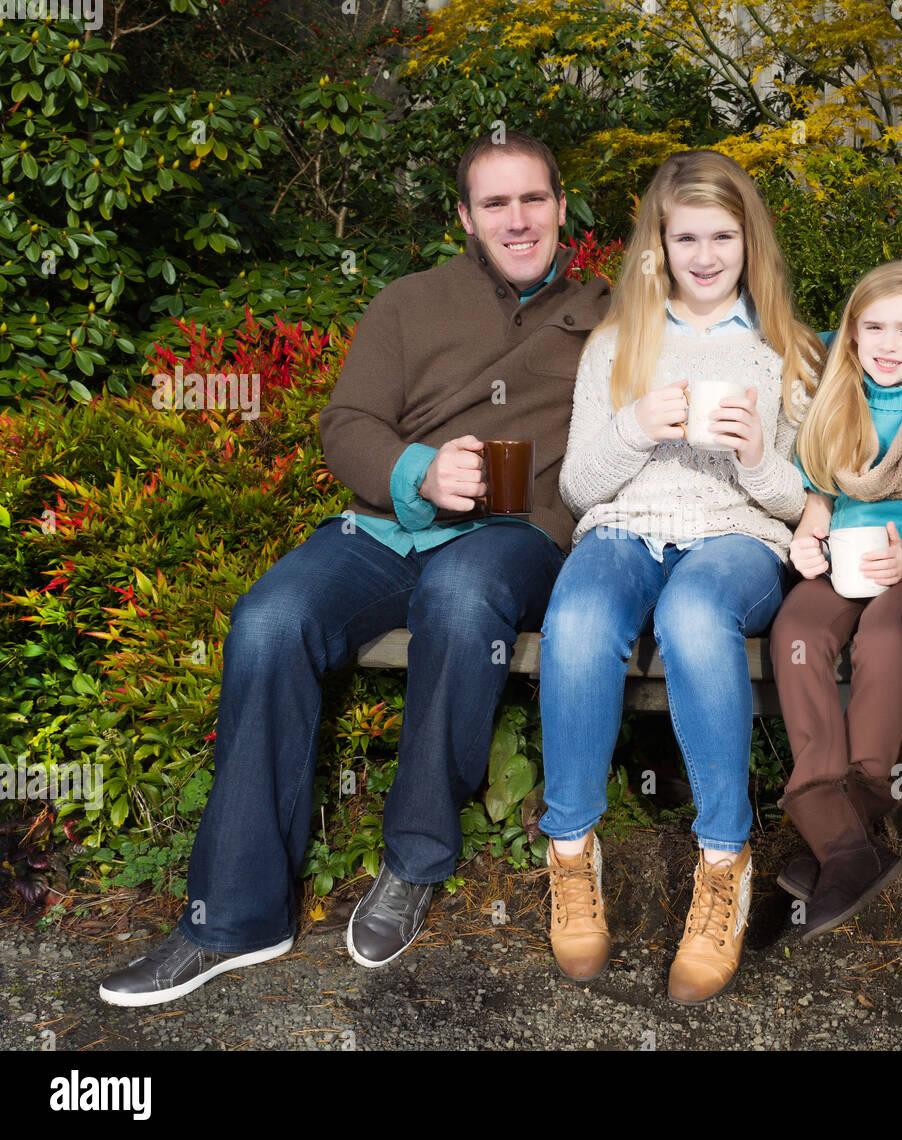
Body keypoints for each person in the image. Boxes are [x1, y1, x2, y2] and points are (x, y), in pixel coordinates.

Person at [98, 131, 611, 1006]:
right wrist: (418, 472)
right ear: (465, 217)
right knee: (271, 618)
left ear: (562, 208)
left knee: (461, 597)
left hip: (514, 534)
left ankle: (414, 861)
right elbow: (347, 424)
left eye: (534, 199)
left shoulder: (610, 311)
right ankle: (234, 918)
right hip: (388, 526)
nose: (518, 219)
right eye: (495, 203)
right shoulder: (409, 303)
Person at [538, 149, 824, 1004]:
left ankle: (724, 860)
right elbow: (577, 487)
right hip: (626, 529)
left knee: (696, 615)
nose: (704, 256)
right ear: (657, 246)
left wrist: (758, 455)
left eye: (722, 237)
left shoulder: (787, 352)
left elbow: (806, 502)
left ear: (750, 242)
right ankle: (569, 852)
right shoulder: (616, 345)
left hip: (737, 537)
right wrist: (632, 425)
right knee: (578, 619)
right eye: (685, 238)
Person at [770, 261, 902, 941]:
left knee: (887, 637)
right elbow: (818, 497)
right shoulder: (839, 402)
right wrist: (808, 539)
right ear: (852, 333)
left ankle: (849, 823)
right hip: (846, 560)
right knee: (797, 631)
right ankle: (845, 843)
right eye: (874, 328)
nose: (888, 344)